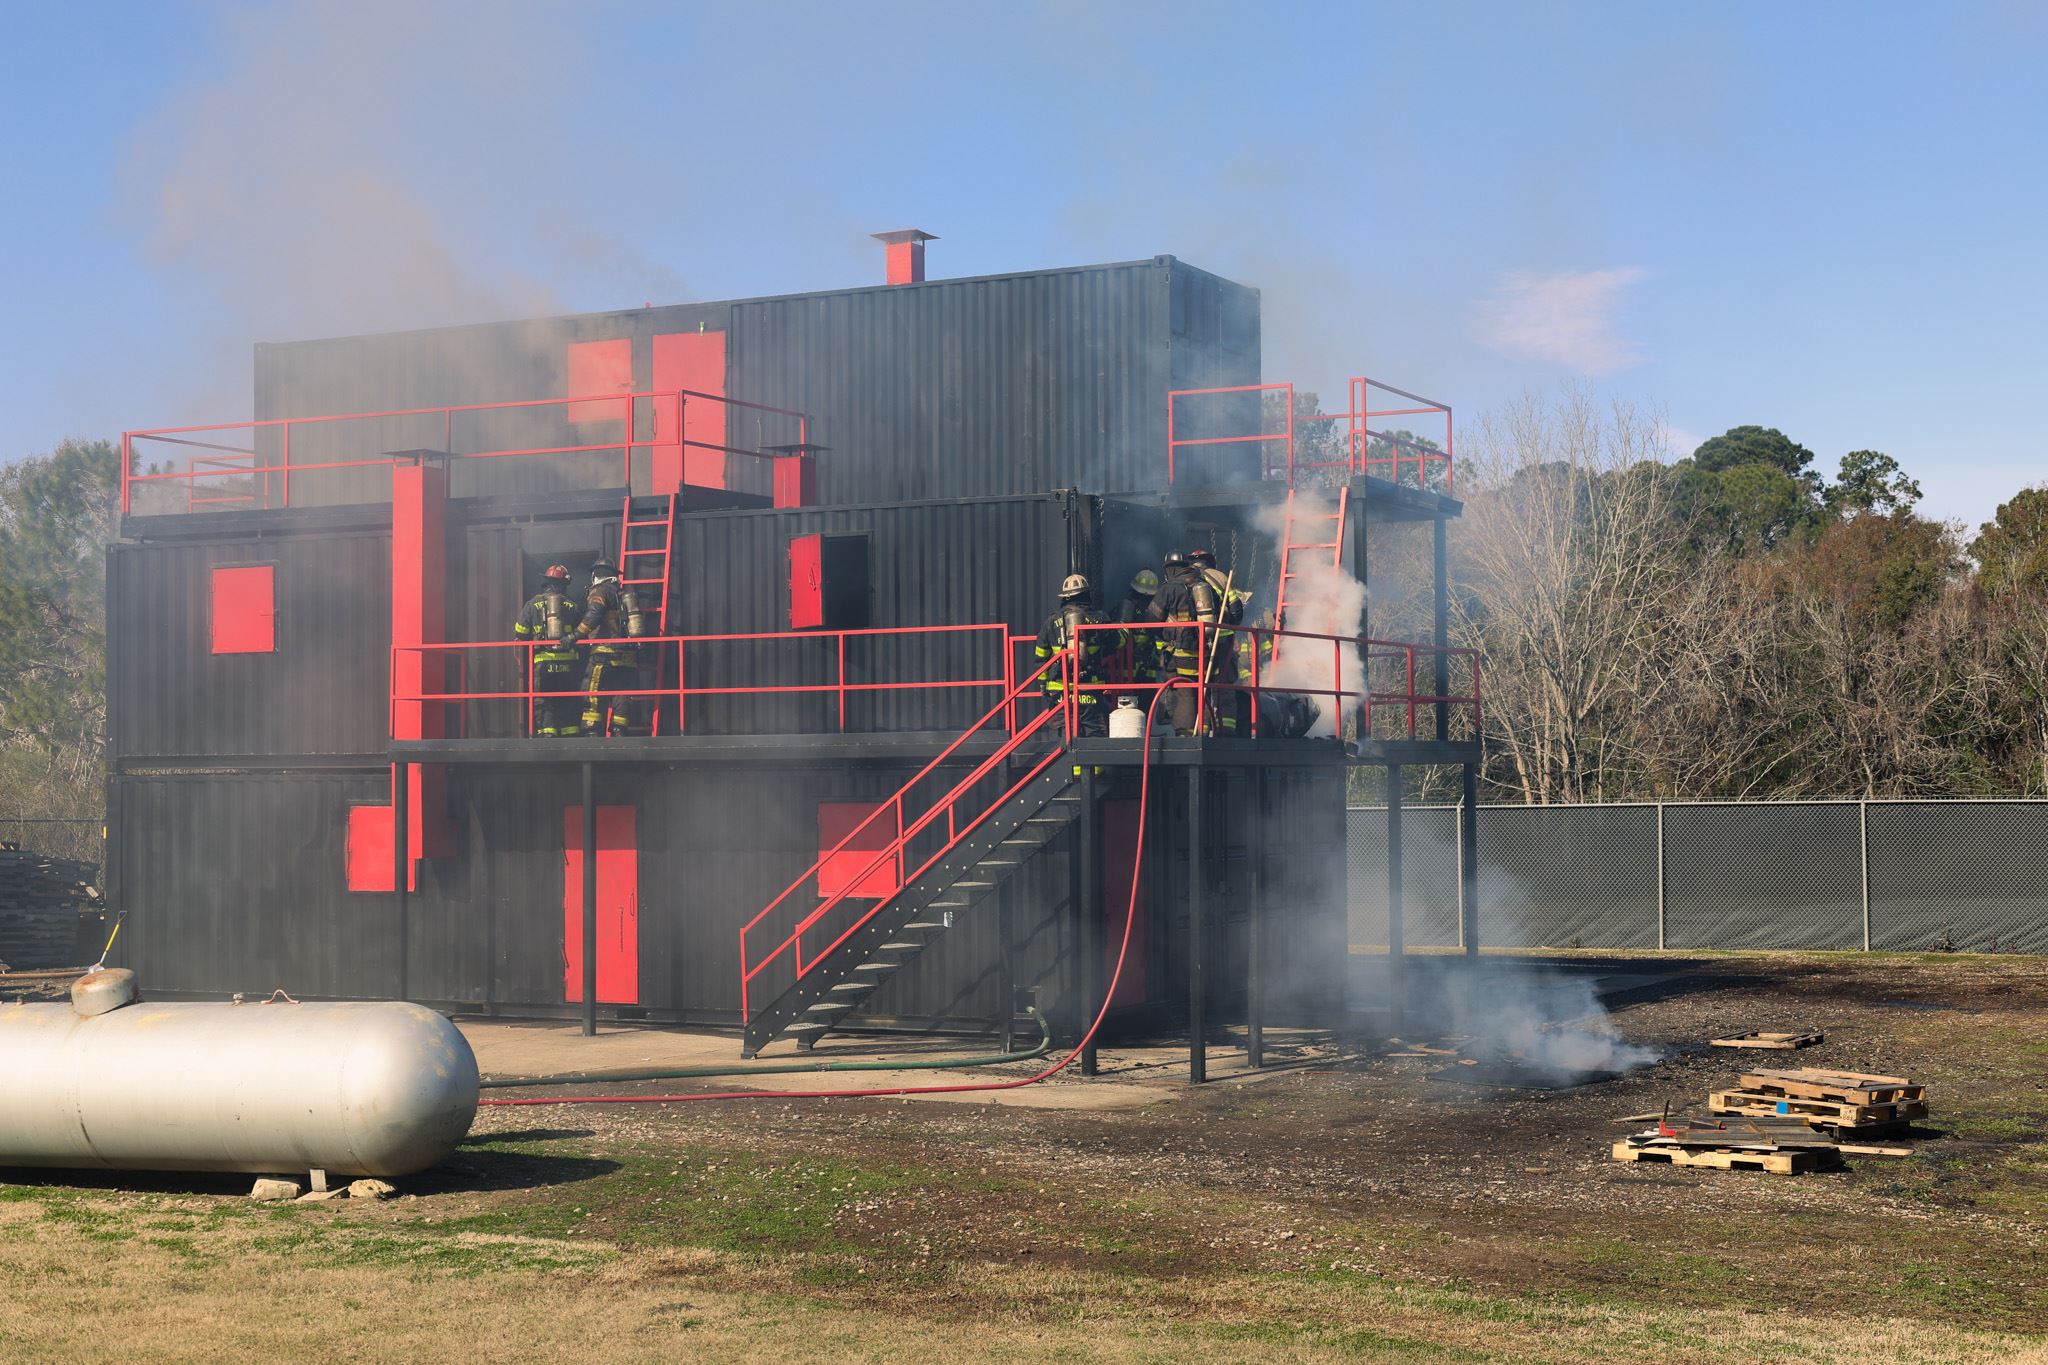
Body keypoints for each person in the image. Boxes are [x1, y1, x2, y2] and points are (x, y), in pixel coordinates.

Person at [574, 558, 651, 736]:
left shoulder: (600, 591)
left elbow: (594, 614)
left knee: (592, 690)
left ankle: (592, 732)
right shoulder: (624, 593)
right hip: (628, 656)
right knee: (621, 694)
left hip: (604, 654)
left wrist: (574, 636)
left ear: (596, 574)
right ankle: (619, 731)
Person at [1033, 573, 1117, 737]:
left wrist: (1043, 686)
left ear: (1065, 598)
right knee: (1095, 736)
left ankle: (1073, 763)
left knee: (1069, 738)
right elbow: (1114, 643)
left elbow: (1041, 657)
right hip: (1090, 690)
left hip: (1061, 691)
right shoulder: (1099, 618)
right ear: (1086, 595)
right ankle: (1096, 763)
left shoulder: (1051, 622)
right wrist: (1124, 630)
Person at [1147, 550, 1217, 736]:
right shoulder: (1203, 585)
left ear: (1170, 569)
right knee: (1202, 690)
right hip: (1205, 650)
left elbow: (1152, 619)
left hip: (1181, 652)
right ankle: (1203, 730)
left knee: (1184, 691)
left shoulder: (1169, 588)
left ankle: (1185, 733)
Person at [512, 564, 583, 736]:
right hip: (568, 664)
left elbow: (520, 631)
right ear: (563, 585)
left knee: (544, 699)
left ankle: (547, 733)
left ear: (546, 582)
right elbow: (582, 632)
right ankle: (570, 733)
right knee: (568, 698)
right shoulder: (572, 605)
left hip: (543, 663)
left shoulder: (532, 604)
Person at [1187, 547, 1251, 736]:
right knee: (1224, 688)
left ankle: (1201, 731)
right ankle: (1226, 731)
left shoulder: (1185, 578)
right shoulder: (1221, 578)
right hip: (1221, 642)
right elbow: (1236, 612)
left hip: (1193, 645)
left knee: (1199, 690)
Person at [1107, 568, 1161, 699]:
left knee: (1142, 707)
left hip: (1146, 669)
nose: (1144, 601)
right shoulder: (1126, 608)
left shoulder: (1155, 612)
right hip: (1126, 669)